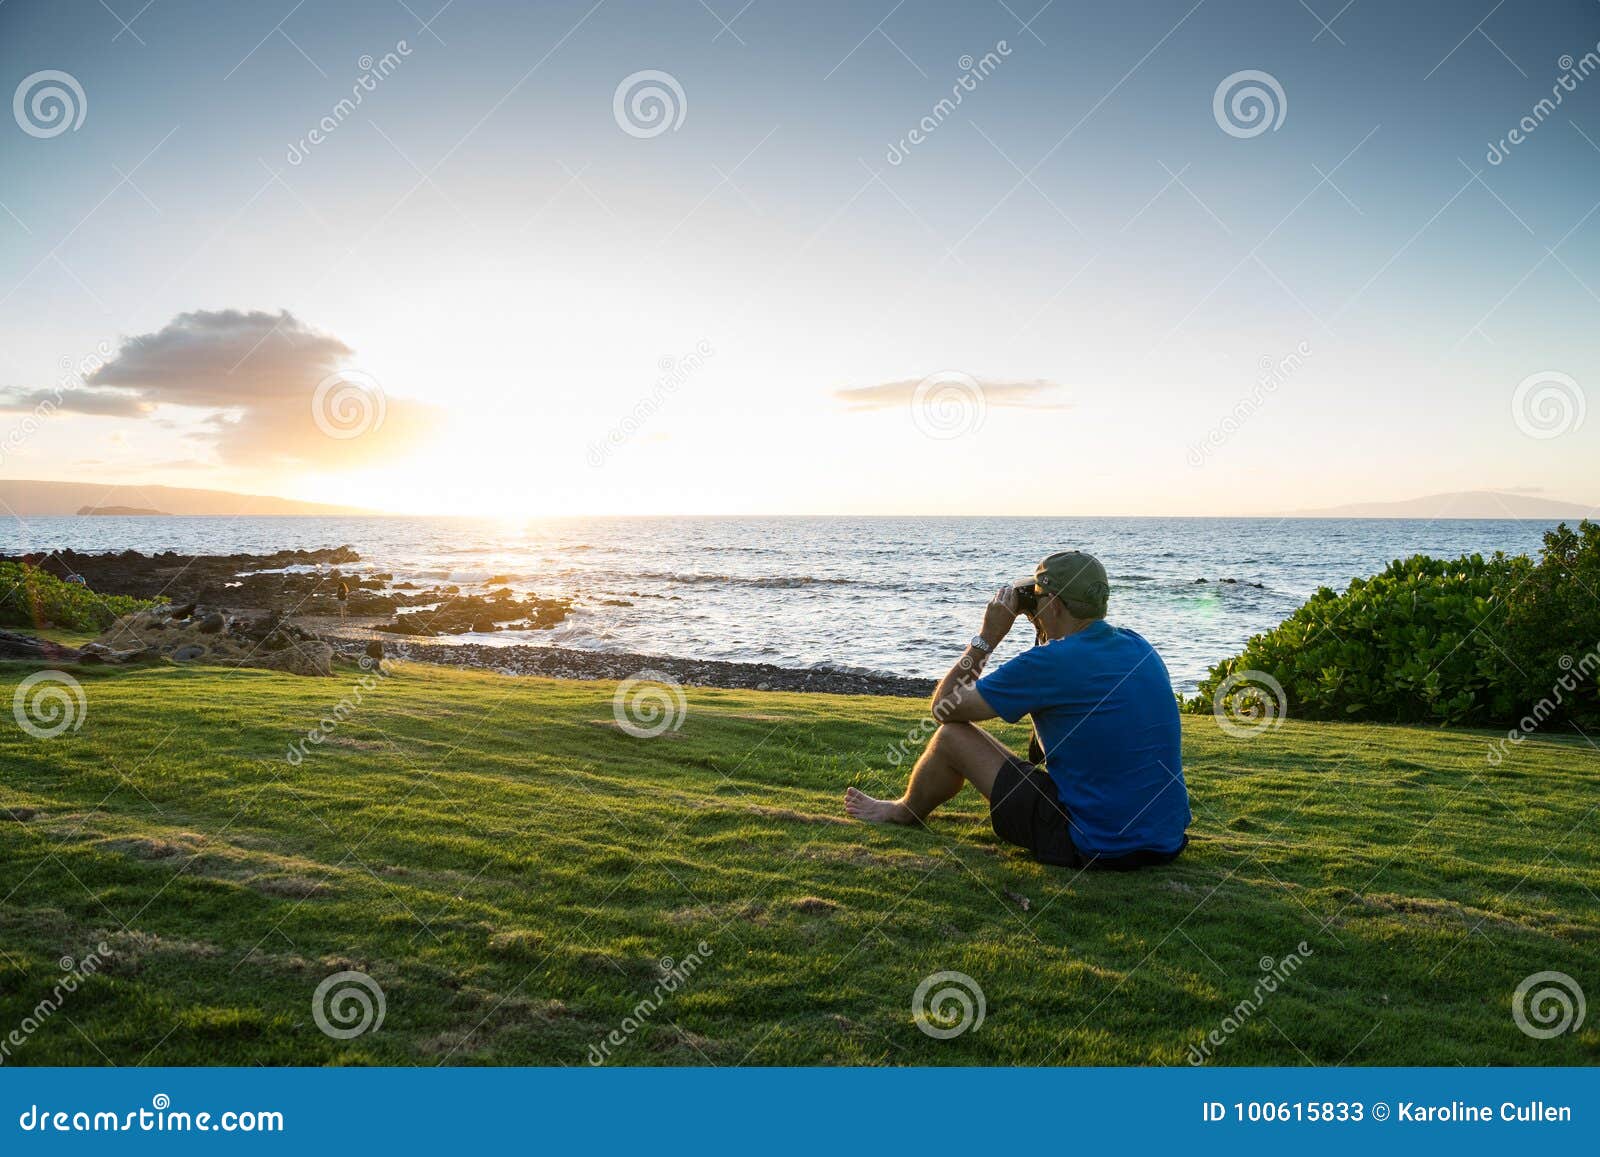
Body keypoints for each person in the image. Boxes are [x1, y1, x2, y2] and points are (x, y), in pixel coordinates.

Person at [844, 550, 1190, 870]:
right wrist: (1045, 635)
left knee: (951, 736)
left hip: (1095, 845)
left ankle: (904, 811)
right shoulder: (1137, 645)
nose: (1034, 608)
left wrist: (988, 637)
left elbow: (944, 706)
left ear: (1053, 604)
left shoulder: (1051, 662)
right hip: (1165, 840)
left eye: (1037, 599)